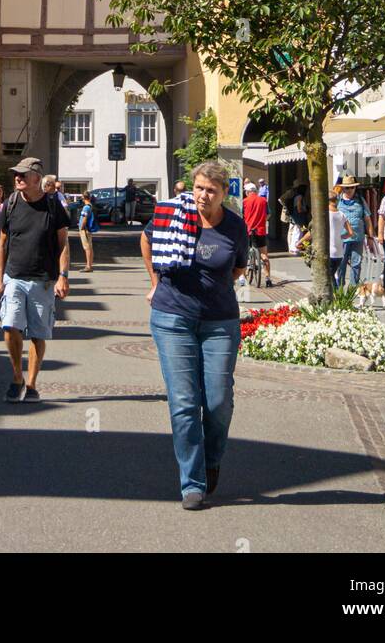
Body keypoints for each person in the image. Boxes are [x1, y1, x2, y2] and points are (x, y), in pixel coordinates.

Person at [141, 161, 249, 510]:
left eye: (211, 191)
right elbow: (146, 239)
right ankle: (192, 482)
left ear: (224, 194)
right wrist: (155, 282)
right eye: (199, 188)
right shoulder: (174, 213)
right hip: (172, 316)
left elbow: (238, 267)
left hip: (219, 322)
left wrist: (212, 291)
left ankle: (212, 458)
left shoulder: (234, 225)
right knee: (184, 402)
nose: (203, 196)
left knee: (217, 402)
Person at [0, 158, 69, 403]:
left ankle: (32, 384)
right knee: (10, 325)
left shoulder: (53, 207)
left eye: (23, 175)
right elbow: (2, 243)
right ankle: (17, 377)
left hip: (43, 280)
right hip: (14, 276)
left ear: (37, 178)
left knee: (38, 334)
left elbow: (63, 244)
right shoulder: (11, 204)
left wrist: (63, 277)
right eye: (16, 174)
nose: (17, 178)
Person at [337, 179, 372, 287]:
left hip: (358, 238)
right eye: (347, 187)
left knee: (356, 263)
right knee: (341, 264)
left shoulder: (360, 200)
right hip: (342, 238)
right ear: (343, 188)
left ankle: (353, 289)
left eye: (352, 187)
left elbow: (367, 219)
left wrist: (370, 237)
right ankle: (340, 289)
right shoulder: (338, 201)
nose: (350, 190)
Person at [242, 180, 272, 287]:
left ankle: (244, 278)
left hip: (248, 231)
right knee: (264, 254)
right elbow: (268, 215)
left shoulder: (244, 202)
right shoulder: (263, 201)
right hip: (260, 230)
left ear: (248, 192)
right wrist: (262, 220)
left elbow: (242, 217)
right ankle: (268, 278)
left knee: (244, 254)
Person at [329, 191, 353, 288]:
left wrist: (301, 241)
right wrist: (341, 237)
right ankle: (336, 295)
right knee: (331, 275)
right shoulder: (341, 214)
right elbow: (351, 233)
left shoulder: (325, 214)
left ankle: (335, 297)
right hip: (339, 252)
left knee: (329, 276)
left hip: (329, 251)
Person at [78, 191, 96, 272]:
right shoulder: (90, 206)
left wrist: (81, 227)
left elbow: (84, 218)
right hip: (88, 229)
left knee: (87, 247)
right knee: (90, 247)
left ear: (84, 198)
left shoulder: (86, 207)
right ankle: (90, 265)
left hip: (85, 229)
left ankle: (88, 266)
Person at [287, 189, 309, 254]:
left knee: (294, 232)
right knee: (297, 232)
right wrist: (304, 210)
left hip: (294, 216)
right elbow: (299, 209)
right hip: (298, 217)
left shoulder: (295, 196)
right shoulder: (300, 197)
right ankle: (295, 248)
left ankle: (292, 248)